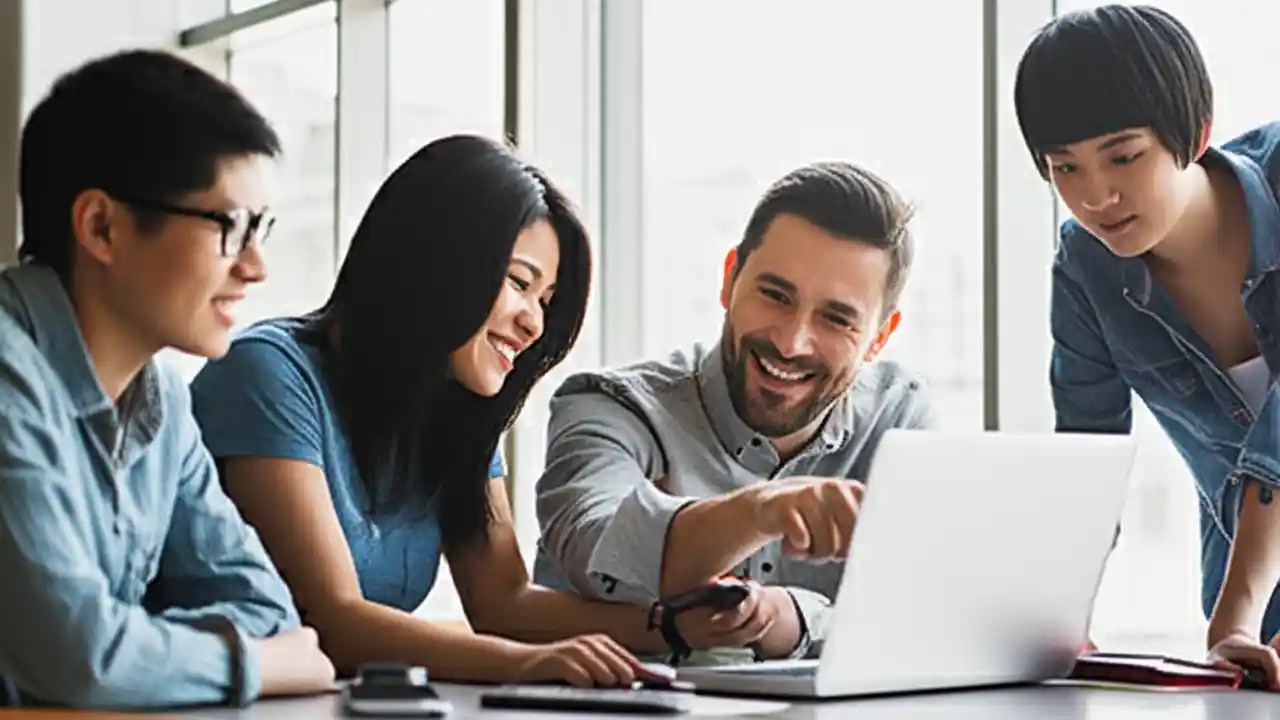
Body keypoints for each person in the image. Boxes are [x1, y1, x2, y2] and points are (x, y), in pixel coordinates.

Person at [190, 134, 671, 688]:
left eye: (545, 300)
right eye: (520, 283)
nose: (535, 324)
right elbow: (332, 621)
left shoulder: (458, 410)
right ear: (437, 260)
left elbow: (504, 604)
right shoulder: (266, 373)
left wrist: (672, 624)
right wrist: (524, 665)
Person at [0, 49, 335, 708]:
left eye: (260, 228)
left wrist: (136, 649)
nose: (257, 266)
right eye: (230, 228)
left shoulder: (162, 402)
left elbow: (267, 609)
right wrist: (251, 663)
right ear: (101, 226)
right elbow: (83, 661)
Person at [533, 161, 934, 663]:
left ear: (879, 337)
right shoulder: (610, 407)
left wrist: (793, 618)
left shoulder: (899, 420)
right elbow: (599, 550)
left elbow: (922, 619)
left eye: (836, 319)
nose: (791, 343)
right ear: (730, 280)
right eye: (774, 295)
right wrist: (762, 509)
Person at [1015, 4, 1280, 687]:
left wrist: (1236, 619)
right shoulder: (1085, 270)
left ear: (1194, 131)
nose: (1096, 195)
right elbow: (1087, 455)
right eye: (1064, 169)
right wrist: (1055, 620)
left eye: (1123, 156)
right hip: (1251, 606)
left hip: (1244, 606)